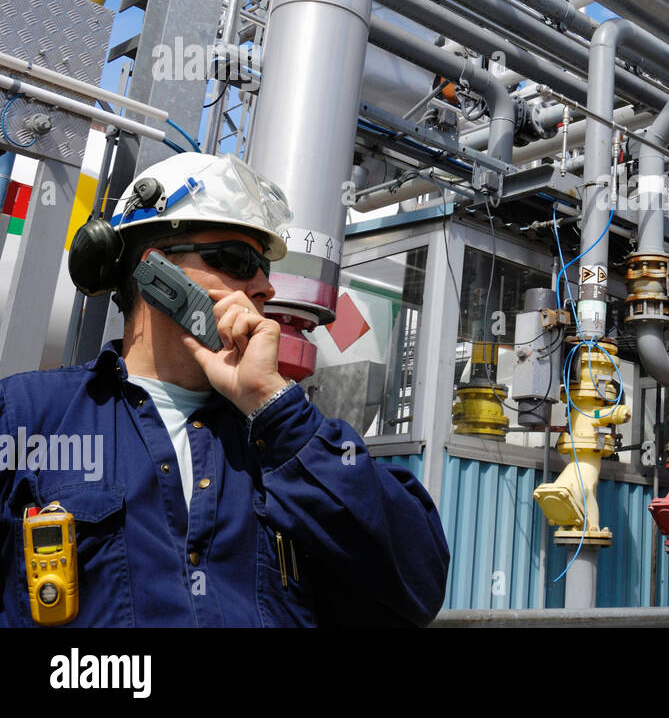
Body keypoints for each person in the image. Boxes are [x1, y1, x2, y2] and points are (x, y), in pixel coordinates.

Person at [0, 152, 449, 626]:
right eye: (237, 260)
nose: (264, 287)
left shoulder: (287, 442)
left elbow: (418, 584)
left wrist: (272, 406)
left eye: (264, 268)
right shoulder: (28, 418)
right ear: (158, 274)